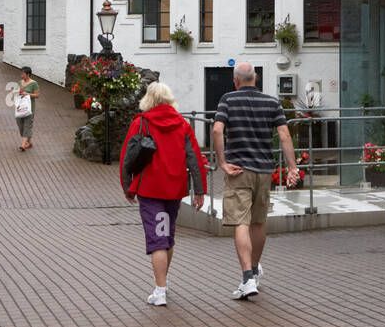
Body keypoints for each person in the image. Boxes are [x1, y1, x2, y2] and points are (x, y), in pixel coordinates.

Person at [213, 62, 297, 300]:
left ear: (235, 80)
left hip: (239, 170)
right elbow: (284, 134)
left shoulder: (227, 100)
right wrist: (292, 167)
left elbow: (218, 130)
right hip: (263, 170)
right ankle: (254, 271)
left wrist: (222, 162)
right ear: (256, 78)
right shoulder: (272, 102)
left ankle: (247, 278)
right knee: (259, 222)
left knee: (240, 222)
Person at [119, 82, 208, 307]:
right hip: (175, 188)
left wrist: (127, 186)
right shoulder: (181, 123)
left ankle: (160, 290)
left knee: (157, 239)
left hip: (150, 188)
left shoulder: (141, 123)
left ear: (148, 99)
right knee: (167, 236)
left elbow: (127, 157)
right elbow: (195, 158)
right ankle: (163, 283)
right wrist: (200, 190)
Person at [16, 65, 40, 152]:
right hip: (20, 107)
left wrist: (28, 94)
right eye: (21, 73)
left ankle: (23, 144)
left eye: (23, 73)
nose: (21, 75)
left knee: (28, 125)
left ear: (28, 74)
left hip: (30, 108)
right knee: (21, 126)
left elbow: (37, 95)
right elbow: (17, 93)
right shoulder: (19, 82)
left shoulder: (34, 83)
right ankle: (29, 142)